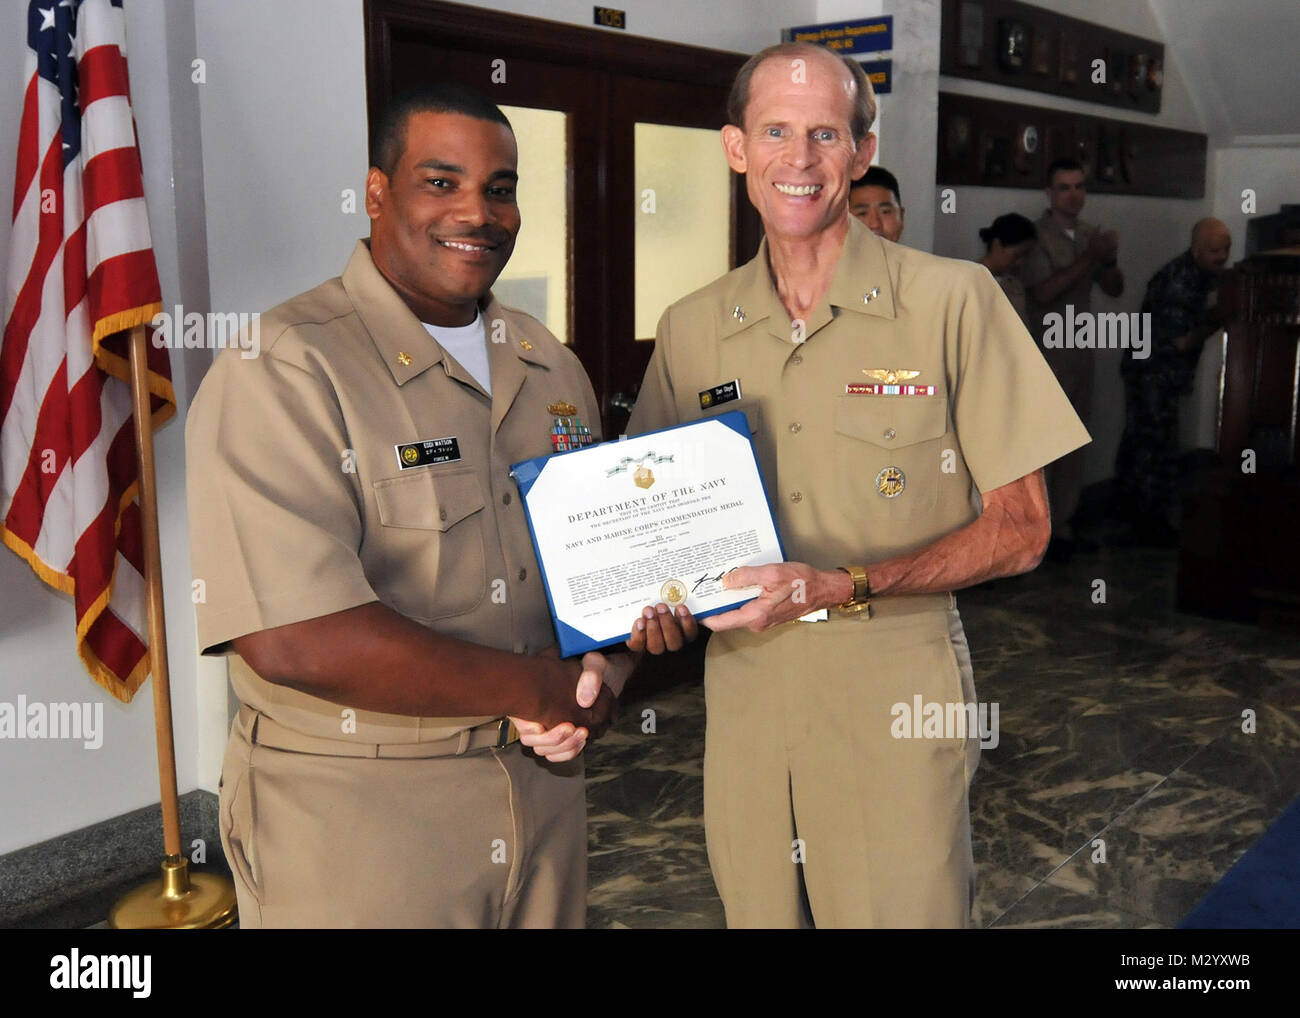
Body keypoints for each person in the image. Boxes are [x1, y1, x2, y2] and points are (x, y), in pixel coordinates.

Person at [626, 41, 1090, 928]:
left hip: (897, 683)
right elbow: (652, 532)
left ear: (861, 151)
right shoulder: (690, 330)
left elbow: (1025, 530)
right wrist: (616, 642)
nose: (798, 160)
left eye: (824, 134)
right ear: (735, 149)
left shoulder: (956, 302)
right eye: (774, 131)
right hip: (747, 696)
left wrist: (839, 586)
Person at [185, 84, 633, 928]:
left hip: (544, 791)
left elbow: (596, 567)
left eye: (500, 188)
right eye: (442, 182)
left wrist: (608, 665)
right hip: (362, 809)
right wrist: (534, 687)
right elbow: (292, 634)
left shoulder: (546, 360)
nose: (478, 211)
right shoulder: (285, 365)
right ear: (377, 192)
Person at [1021, 158, 1124, 560]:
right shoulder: (1035, 236)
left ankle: (1063, 523)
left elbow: (1114, 288)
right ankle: (1035, 530)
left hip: (1079, 346)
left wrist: (1108, 259)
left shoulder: (1089, 234)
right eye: (1064, 187)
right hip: (1046, 350)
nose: (1074, 194)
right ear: (1049, 193)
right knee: (1044, 442)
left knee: (1076, 438)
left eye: (1080, 186)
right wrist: (1089, 258)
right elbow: (1044, 292)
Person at [1114, 218, 1232, 546]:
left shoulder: (1206, 275)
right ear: (1196, 249)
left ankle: (1135, 513)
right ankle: (1149, 522)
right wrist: (1221, 319)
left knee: (1146, 443)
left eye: (1226, 249)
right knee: (1154, 446)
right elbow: (1182, 341)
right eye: (1214, 250)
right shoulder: (1178, 280)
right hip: (1151, 372)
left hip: (1163, 372)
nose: (1222, 256)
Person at [976, 213, 1037, 327]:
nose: (1020, 262)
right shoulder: (969, 279)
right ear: (997, 245)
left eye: (1025, 256)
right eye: (1017, 255)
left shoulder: (1015, 286)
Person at [849, 164, 905, 242]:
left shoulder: (919, 254)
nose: (875, 224)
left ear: (901, 217)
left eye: (885, 212)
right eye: (862, 213)